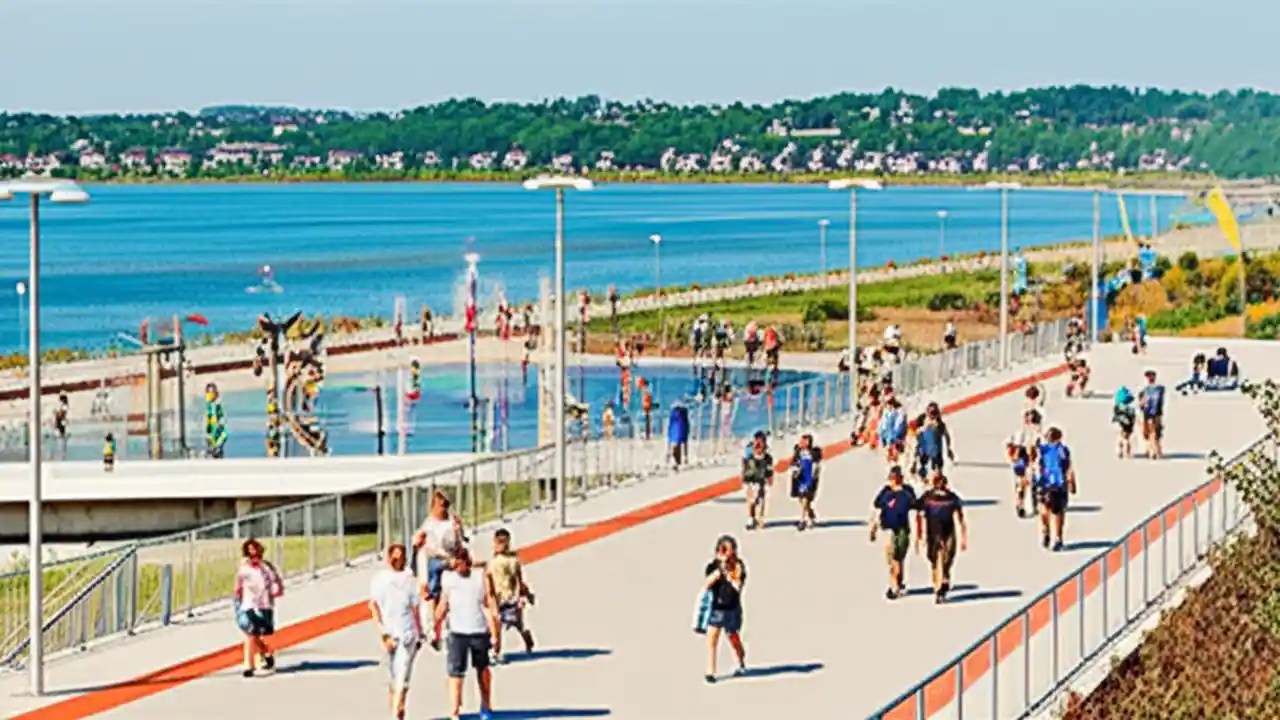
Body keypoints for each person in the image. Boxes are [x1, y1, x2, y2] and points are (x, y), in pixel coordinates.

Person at [435, 549, 497, 720]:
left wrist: (495, 630)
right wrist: (435, 627)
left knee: (483, 671)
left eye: (458, 562)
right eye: (453, 563)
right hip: (457, 632)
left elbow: (489, 602)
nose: (455, 566)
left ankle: (486, 705)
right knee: (455, 673)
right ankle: (454, 710)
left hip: (478, 631)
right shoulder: (448, 579)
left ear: (466, 561)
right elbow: (443, 604)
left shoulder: (479, 577)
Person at [370, 543, 422, 720]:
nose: (396, 560)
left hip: (407, 633)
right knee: (393, 678)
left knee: (402, 676)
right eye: (394, 557)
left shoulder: (409, 579)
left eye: (400, 557)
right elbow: (374, 606)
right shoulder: (380, 579)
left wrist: (420, 632)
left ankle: (397, 713)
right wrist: (383, 633)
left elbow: (416, 607)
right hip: (390, 633)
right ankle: (397, 710)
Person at [412, 491, 467, 651]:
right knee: (432, 594)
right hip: (433, 562)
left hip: (450, 560)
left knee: (452, 593)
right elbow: (423, 548)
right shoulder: (428, 524)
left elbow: (460, 545)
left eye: (445, 505)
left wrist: (458, 531)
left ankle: (446, 627)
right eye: (439, 505)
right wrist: (423, 580)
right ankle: (431, 630)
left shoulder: (452, 523)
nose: (442, 508)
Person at [234, 538, 284, 677]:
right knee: (250, 633)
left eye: (255, 549)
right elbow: (237, 585)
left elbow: (276, 583)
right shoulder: (244, 568)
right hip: (248, 604)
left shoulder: (266, 567)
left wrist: (275, 590)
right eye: (250, 550)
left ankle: (265, 653)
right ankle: (249, 666)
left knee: (257, 634)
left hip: (264, 604)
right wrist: (237, 600)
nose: (253, 553)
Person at [915, 472, 967, 604]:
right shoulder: (927, 497)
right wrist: (919, 535)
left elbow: (960, 515)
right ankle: (938, 585)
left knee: (947, 558)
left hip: (948, 532)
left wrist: (963, 535)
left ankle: (942, 583)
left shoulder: (951, 497)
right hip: (932, 533)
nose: (940, 484)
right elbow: (919, 514)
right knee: (934, 559)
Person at [485, 528, 535, 664]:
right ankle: (496, 651)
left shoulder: (512, 561)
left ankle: (527, 639)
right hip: (499, 599)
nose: (501, 545)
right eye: (498, 542)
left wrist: (526, 594)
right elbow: (488, 582)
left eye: (503, 542)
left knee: (518, 624)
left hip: (511, 598)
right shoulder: (493, 562)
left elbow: (520, 580)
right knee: (496, 626)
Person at [702, 535, 747, 682]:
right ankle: (710, 671)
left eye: (729, 551)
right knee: (712, 639)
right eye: (723, 551)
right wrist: (718, 572)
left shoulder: (738, 567)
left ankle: (740, 660)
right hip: (716, 609)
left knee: (733, 637)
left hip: (732, 609)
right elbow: (707, 584)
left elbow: (738, 587)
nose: (726, 555)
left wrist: (729, 574)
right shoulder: (712, 567)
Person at [870, 466, 917, 600]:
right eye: (892, 477)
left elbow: (915, 505)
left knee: (899, 558)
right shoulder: (885, 492)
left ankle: (898, 583)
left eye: (896, 477)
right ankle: (895, 585)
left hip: (902, 528)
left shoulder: (907, 491)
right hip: (888, 528)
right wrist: (873, 527)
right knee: (892, 559)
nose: (894, 480)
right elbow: (877, 509)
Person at [1036, 426, 1077, 551]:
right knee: (1048, 510)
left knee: (1055, 511)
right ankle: (1048, 532)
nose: (1048, 438)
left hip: (1057, 483)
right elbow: (1036, 460)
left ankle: (1056, 537)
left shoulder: (1061, 450)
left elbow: (1068, 466)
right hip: (1048, 483)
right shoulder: (1043, 449)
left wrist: (1071, 481)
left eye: (1050, 436)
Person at [1008, 408, 1041, 518]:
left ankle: (1020, 504)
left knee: (1021, 484)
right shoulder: (1034, 432)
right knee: (1032, 484)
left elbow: (1010, 446)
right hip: (1027, 459)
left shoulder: (1020, 431)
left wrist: (1012, 458)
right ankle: (1028, 505)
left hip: (1022, 460)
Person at [913, 402, 955, 483]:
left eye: (935, 413)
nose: (933, 416)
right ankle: (922, 479)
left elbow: (946, 435)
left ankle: (937, 480)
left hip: (936, 450)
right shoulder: (922, 420)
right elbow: (914, 432)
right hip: (924, 448)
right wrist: (924, 427)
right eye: (931, 413)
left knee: (937, 466)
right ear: (927, 412)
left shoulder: (940, 424)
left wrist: (949, 449)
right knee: (922, 464)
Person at [741, 431, 774, 530]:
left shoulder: (767, 457)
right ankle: (751, 517)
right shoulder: (749, 454)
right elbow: (744, 465)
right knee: (751, 501)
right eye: (756, 441)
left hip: (762, 480)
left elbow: (769, 469)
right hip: (750, 480)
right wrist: (743, 477)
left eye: (761, 442)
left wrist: (770, 479)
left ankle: (761, 518)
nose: (758, 444)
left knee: (762, 500)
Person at [789, 434, 822, 530]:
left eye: (802, 441)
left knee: (806, 499)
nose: (800, 443)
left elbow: (817, 465)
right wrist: (795, 470)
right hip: (800, 478)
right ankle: (811, 516)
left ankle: (802, 520)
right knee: (801, 499)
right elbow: (793, 463)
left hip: (809, 478)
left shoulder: (814, 452)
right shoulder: (798, 451)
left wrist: (814, 477)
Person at [1138, 370, 1166, 460]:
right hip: (1157, 414)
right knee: (1155, 433)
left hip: (1148, 414)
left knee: (1149, 434)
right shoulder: (1160, 389)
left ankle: (1154, 452)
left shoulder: (1145, 390)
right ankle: (1153, 451)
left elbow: (1141, 404)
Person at [877, 397, 908, 464]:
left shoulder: (886, 441)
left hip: (892, 430)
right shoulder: (897, 443)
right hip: (895, 431)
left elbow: (884, 427)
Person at [1113, 387, 1137, 458]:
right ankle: (1127, 452)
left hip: (1119, 422)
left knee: (1120, 436)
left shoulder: (1117, 406)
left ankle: (1119, 450)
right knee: (1126, 438)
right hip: (1128, 425)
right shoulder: (1130, 408)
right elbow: (1133, 416)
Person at [668, 401, 691, 471]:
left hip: (679, 420)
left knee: (677, 442)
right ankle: (679, 460)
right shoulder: (680, 413)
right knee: (679, 442)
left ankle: (678, 461)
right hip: (679, 420)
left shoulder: (678, 413)